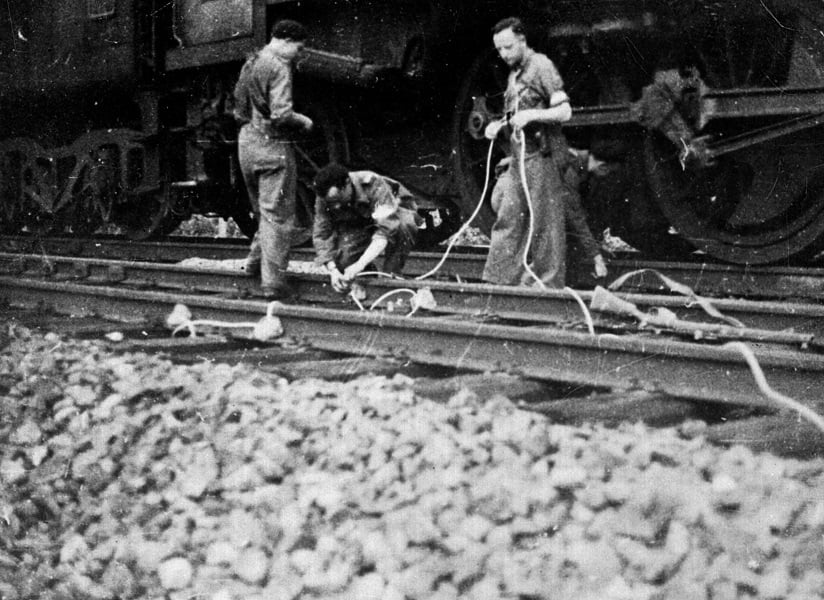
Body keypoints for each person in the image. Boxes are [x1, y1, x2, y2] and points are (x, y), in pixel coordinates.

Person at [482, 17, 572, 288]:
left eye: (508, 47)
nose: (504, 54)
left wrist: (533, 114)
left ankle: (548, 285)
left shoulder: (541, 66)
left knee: (546, 224)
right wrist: (499, 124)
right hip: (519, 158)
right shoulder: (514, 75)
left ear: (522, 40)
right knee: (508, 216)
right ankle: (499, 284)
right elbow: (516, 114)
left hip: (543, 155)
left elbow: (564, 111)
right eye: (499, 50)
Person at [233, 19, 314, 299]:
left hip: (246, 144)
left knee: (264, 212)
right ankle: (273, 284)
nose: (300, 54)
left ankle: (253, 265)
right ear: (286, 41)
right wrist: (304, 122)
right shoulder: (279, 67)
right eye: (300, 48)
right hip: (271, 146)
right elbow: (281, 114)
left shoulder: (252, 61)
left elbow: (238, 105)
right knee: (278, 217)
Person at [312, 163, 421, 292]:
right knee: (343, 262)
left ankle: (391, 275)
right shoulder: (324, 196)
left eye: (337, 199)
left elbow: (385, 231)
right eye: (331, 203)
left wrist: (359, 265)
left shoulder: (373, 183)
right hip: (361, 225)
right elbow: (322, 235)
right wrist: (333, 271)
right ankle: (369, 274)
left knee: (404, 225)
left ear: (347, 183)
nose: (335, 207)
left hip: (393, 217)